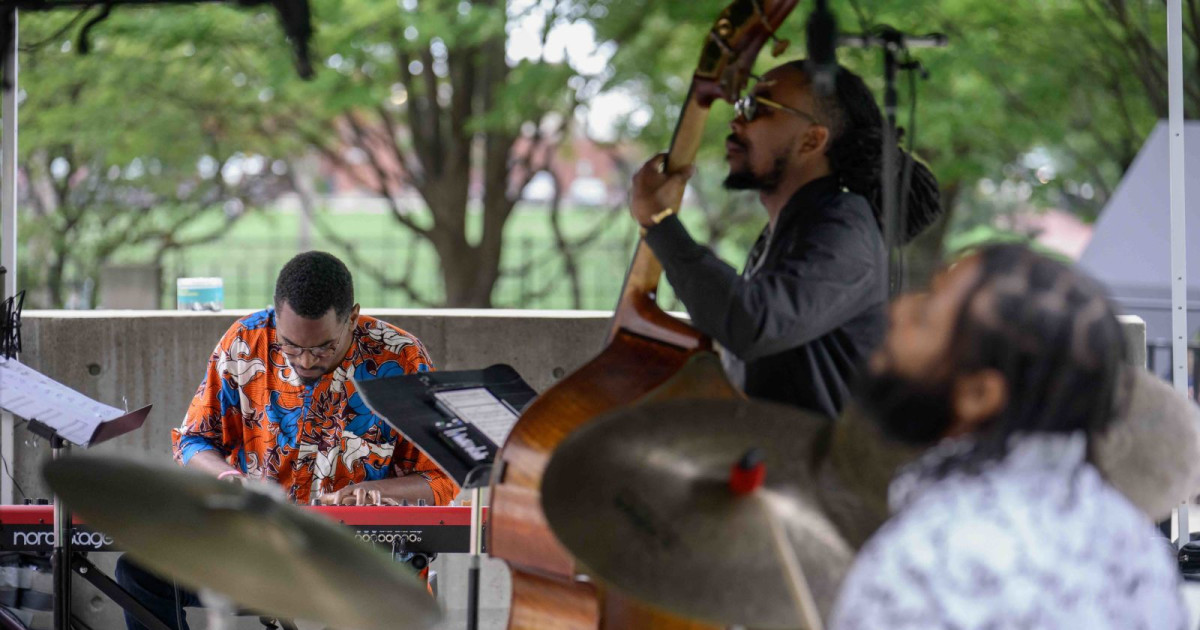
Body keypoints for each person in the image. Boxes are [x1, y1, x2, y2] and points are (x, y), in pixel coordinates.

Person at [829, 243, 1186, 629]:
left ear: (978, 394)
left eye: (924, 315)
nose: (896, 311)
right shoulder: (1138, 548)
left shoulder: (926, 561)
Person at [116, 251, 456, 630]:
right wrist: (229, 479)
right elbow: (193, 441)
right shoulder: (245, 342)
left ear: (353, 318)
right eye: (291, 345)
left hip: (358, 557)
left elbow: (441, 478)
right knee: (140, 572)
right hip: (261, 551)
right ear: (276, 317)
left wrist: (370, 493)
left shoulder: (401, 357)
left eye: (323, 347)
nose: (306, 361)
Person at [629, 59, 941, 419]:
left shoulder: (843, 226)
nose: (736, 121)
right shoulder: (790, 225)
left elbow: (753, 324)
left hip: (819, 472)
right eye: (742, 105)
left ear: (812, 139)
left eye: (758, 107)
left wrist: (661, 222)